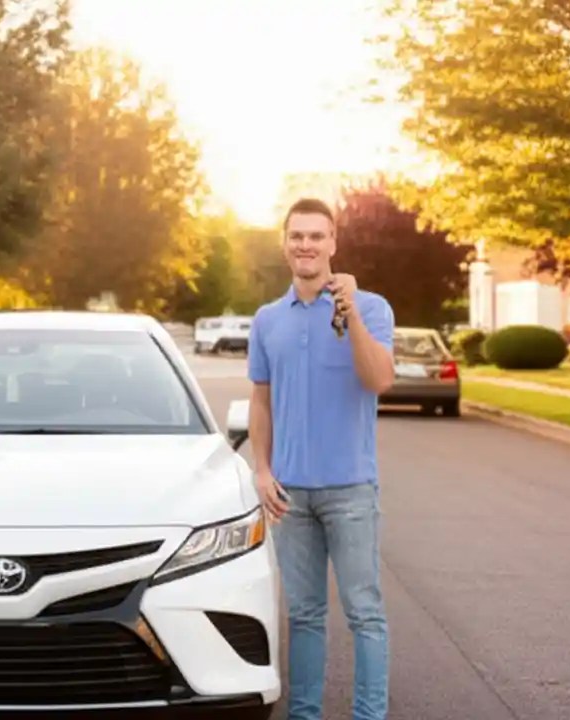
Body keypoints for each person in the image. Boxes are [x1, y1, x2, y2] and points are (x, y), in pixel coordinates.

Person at [246, 197, 396, 720]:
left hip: (350, 490)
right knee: (304, 616)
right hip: (289, 496)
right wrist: (262, 471)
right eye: (297, 236)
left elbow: (379, 379)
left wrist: (349, 313)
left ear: (333, 242)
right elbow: (261, 402)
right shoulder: (267, 320)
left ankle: (369, 716)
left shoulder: (371, 308)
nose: (306, 244)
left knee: (365, 614)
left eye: (316, 235)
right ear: (285, 244)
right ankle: (303, 714)